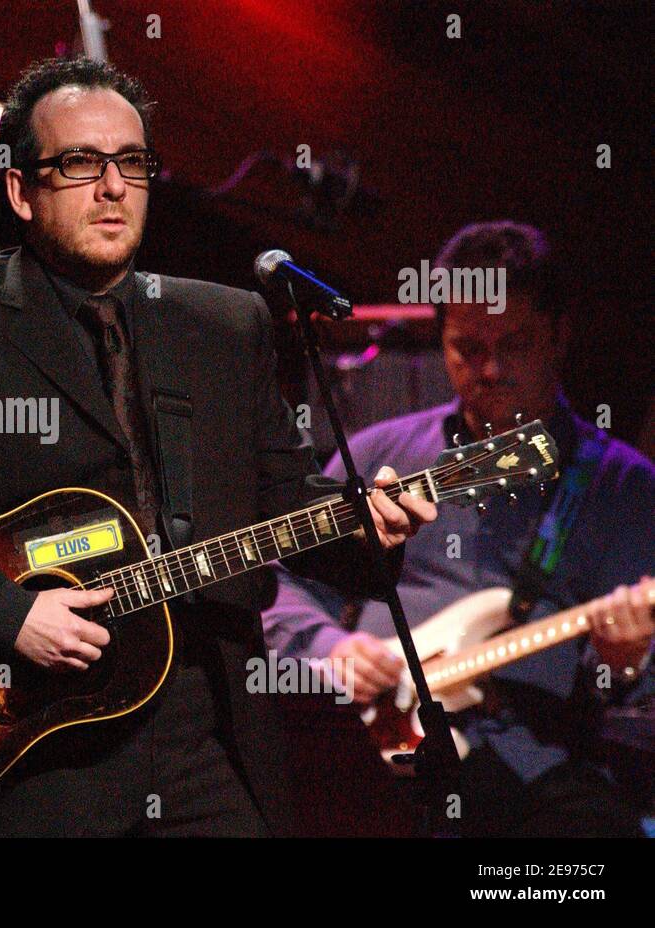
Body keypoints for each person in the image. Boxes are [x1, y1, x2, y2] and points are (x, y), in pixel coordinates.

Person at [0, 57, 436, 837]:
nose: (113, 187)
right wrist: (5, 611)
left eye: (132, 163)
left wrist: (367, 526)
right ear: (20, 191)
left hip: (203, 723)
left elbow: (285, 500)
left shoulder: (226, 323)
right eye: (80, 163)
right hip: (41, 735)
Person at [263, 221, 655, 837]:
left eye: (516, 343)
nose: (491, 369)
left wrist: (627, 662)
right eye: (467, 347)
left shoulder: (626, 488)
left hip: (536, 772)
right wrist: (329, 649)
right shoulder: (377, 453)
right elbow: (280, 580)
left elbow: (634, 694)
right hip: (372, 754)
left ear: (559, 336)